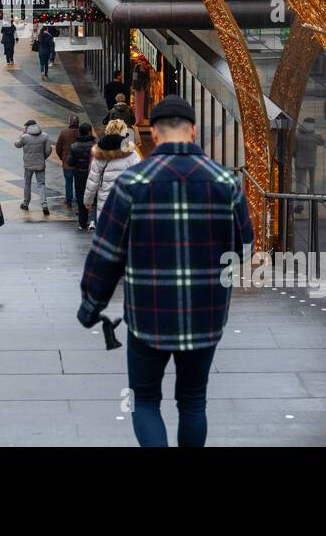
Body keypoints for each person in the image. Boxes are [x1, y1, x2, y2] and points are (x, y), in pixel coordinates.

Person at [77, 94, 253, 448]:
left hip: (148, 315)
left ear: (153, 135)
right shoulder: (226, 183)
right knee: (193, 401)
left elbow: (106, 254)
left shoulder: (132, 184)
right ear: (193, 132)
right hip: (205, 315)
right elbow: (244, 249)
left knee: (145, 400)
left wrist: (90, 307)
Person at [82, 119, 142, 232]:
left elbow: (93, 180)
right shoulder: (131, 153)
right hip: (124, 201)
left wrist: (88, 201)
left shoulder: (100, 152)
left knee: (105, 235)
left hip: (105, 202)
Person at [14, 118, 54, 217]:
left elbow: (16, 144)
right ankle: (44, 205)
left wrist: (22, 133)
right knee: (41, 184)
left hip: (28, 165)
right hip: (40, 164)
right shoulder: (44, 136)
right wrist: (43, 157)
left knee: (27, 184)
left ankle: (26, 203)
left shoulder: (25, 137)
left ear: (27, 127)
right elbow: (49, 150)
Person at [292, 116, 326, 212]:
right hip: (312, 163)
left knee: (300, 183)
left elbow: (293, 150)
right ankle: (312, 200)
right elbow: (323, 143)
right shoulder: (315, 136)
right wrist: (320, 135)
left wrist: (297, 156)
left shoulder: (297, 136)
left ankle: (300, 203)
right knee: (312, 182)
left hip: (299, 163)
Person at [68, 122, 96, 230]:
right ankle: (93, 221)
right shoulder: (95, 146)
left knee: (80, 198)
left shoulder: (74, 146)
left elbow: (70, 162)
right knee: (93, 196)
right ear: (89, 131)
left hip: (79, 175)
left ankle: (82, 223)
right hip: (92, 174)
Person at [54, 114, 81, 210]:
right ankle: (79, 201)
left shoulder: (64, 132)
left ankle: (69, 200)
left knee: (68, 182)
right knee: (79, 183)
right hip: (79, 164)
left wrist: (62, 158)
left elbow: (58, 148)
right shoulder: (81, 132)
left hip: (67, 163)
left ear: (69, 122)